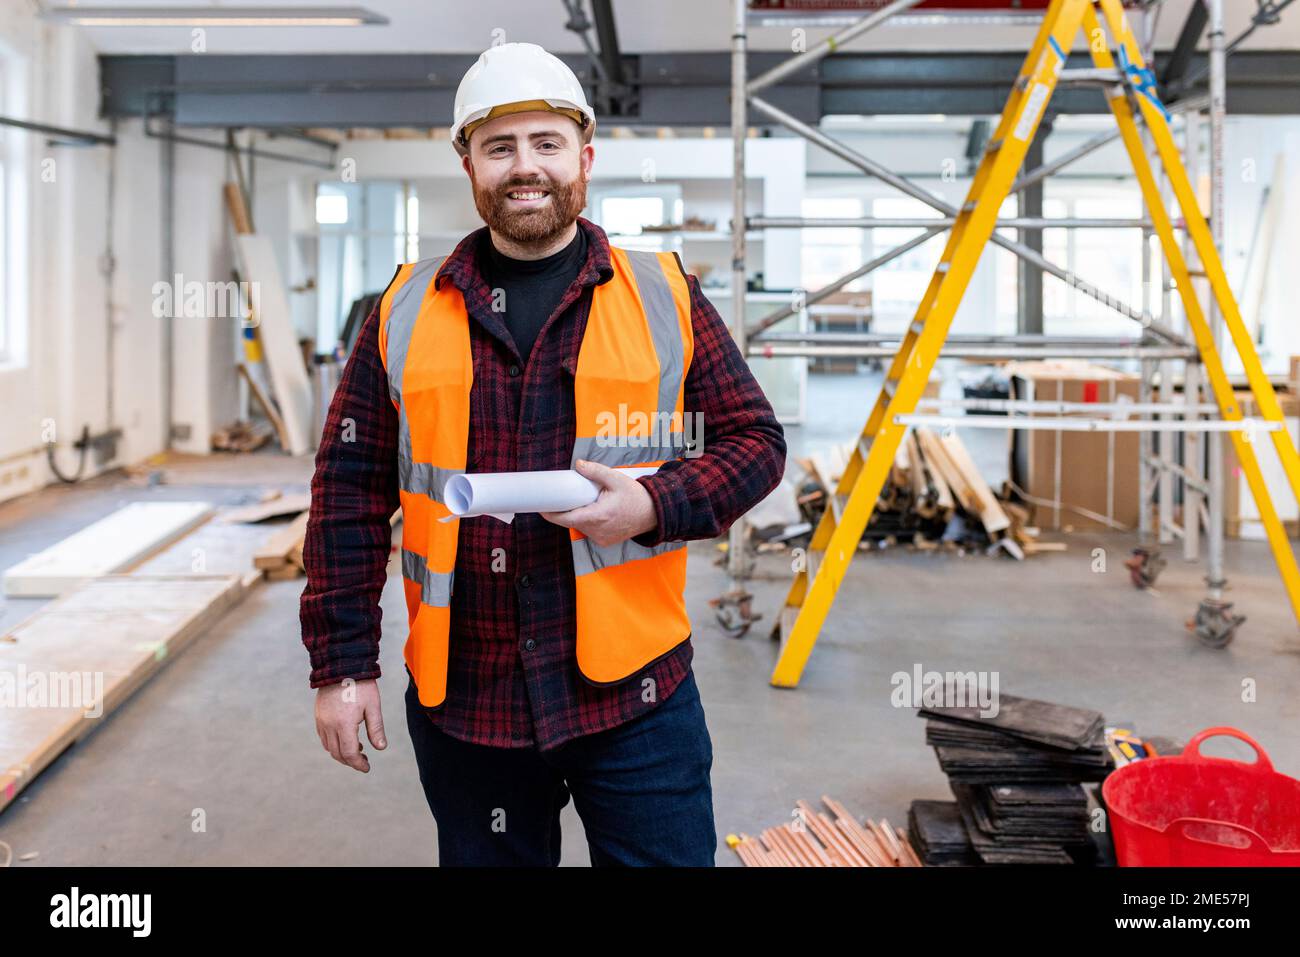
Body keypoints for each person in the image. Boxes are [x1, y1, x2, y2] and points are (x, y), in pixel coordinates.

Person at [300, 41, 786, 866]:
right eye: (500, 147)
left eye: (546, 143)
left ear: (584, 157)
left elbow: (754, 443)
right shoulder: (403, 309)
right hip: (469, 703)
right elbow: (347, 496)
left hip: (635, 698)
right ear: (470, 165)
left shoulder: (662, 293)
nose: (526, 167)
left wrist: (652, 503)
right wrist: (340, 667)